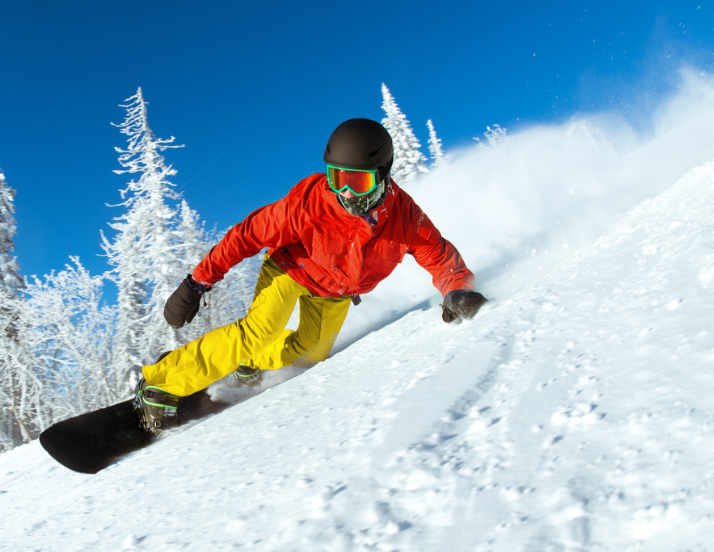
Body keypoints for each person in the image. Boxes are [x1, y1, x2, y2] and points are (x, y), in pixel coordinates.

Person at [134, 118, 488, 431]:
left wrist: (456, 290)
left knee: (310, 354)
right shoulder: (309, 203)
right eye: (337, 178)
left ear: (383, 175)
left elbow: (438, 254)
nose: (346, 192)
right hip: (291, 270)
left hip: (335, 292)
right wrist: (196, 283)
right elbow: (246, 235)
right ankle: (161, 384)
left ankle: (250, 363)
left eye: (358, 182)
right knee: (258, 332)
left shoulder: (405, 217)